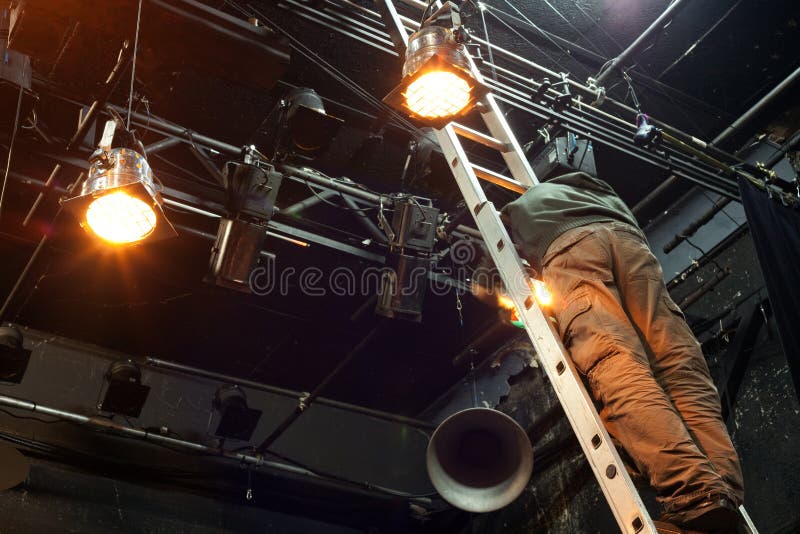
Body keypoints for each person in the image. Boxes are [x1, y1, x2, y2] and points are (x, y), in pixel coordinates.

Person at [498, 171, 744, 533]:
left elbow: (498, 284)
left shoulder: (530, 213)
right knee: (679, 367)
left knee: (615, 364)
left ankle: (694, 494)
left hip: (570, 251)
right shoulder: (590, 190)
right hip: (630, 241)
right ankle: (721, 491)